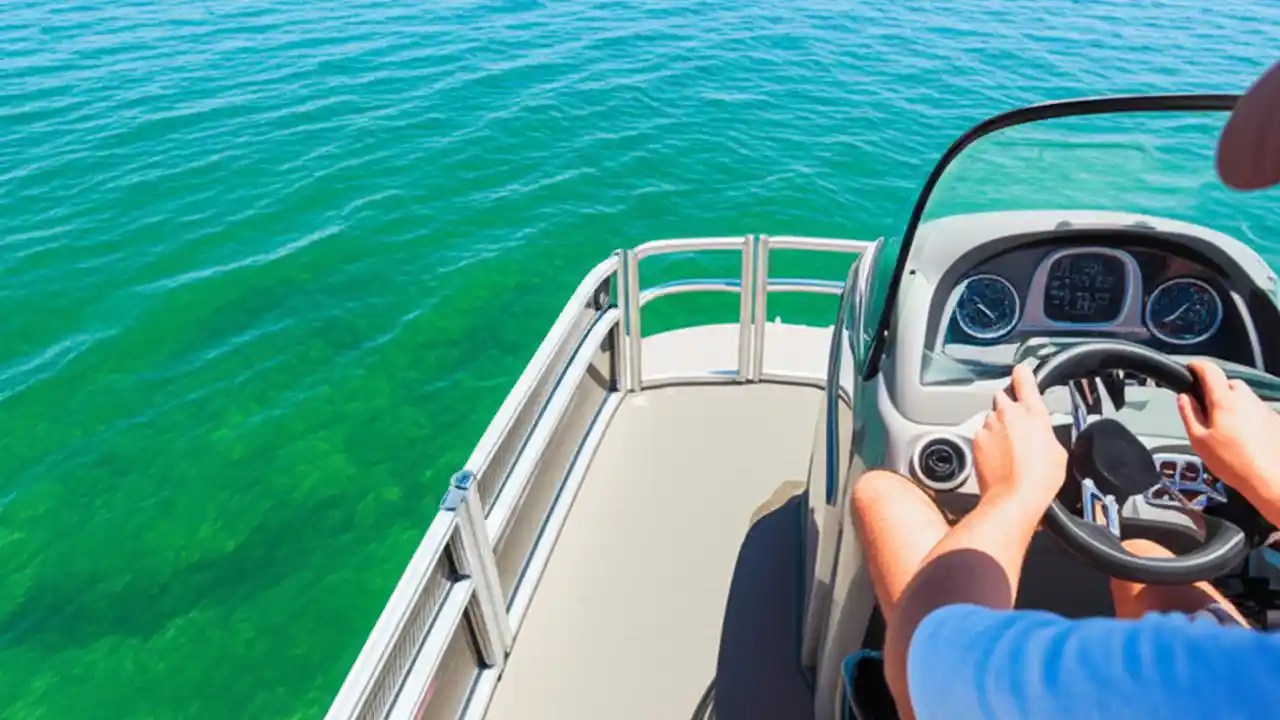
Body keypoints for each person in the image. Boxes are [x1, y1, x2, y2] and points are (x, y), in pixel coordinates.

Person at [850, 64, 1280, 719]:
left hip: (950, 675)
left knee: (881, 492)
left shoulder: (1225, 691)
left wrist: (1016, 492)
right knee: (1141, 553)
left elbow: (926, 663)